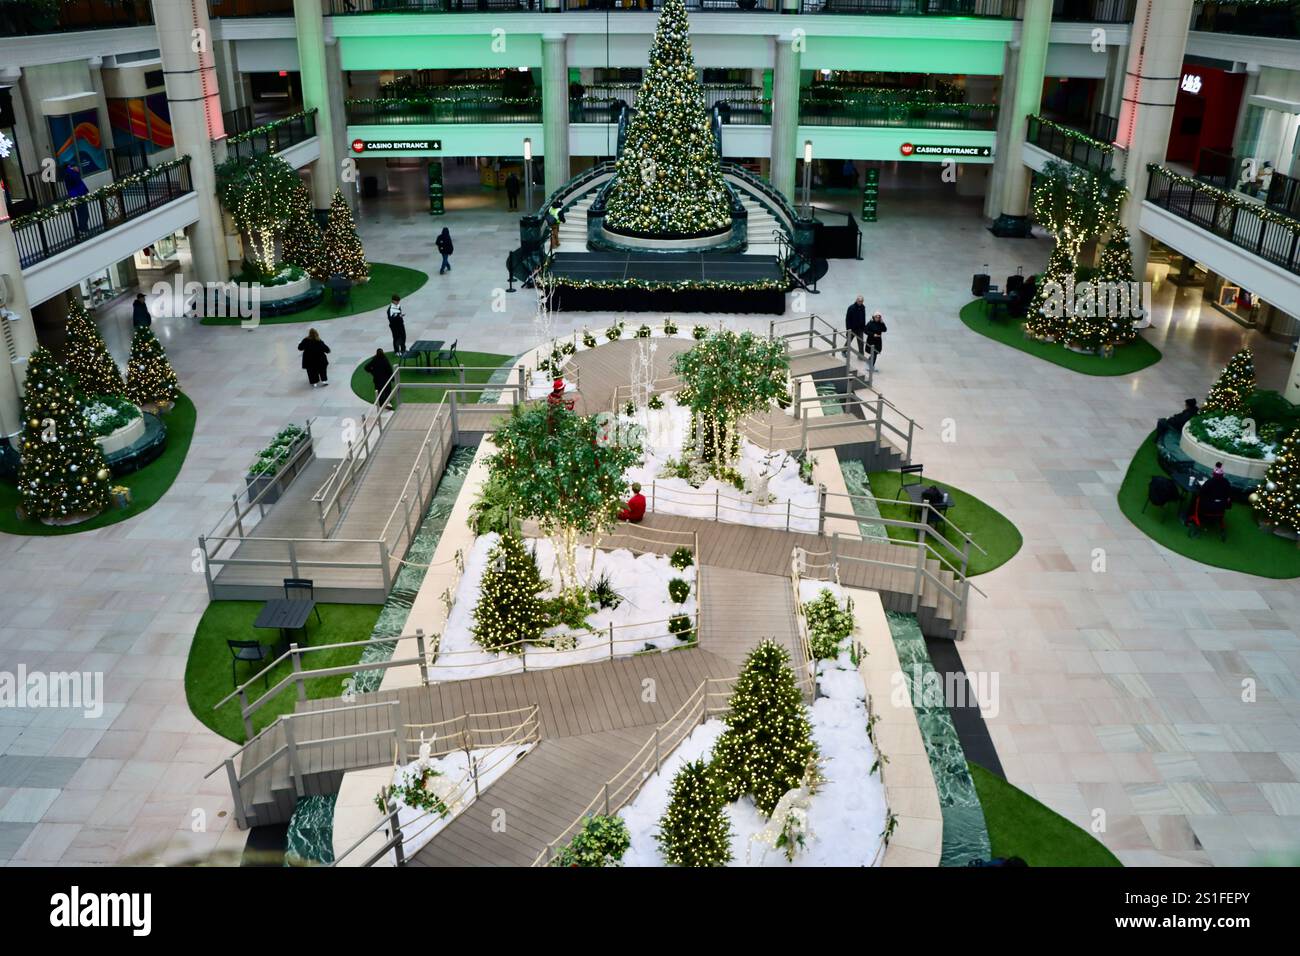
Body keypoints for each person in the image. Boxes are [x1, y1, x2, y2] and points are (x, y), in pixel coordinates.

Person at [64, 163, 89, 234]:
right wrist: (75, 171)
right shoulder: (70, 173)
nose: (78, 168)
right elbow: (76, 181)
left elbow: (79, 183)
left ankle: (83, 228)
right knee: (82, 212)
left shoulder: (72, 173)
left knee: (84, 212)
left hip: (79, 194)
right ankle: (83, 228)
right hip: (77, 195)